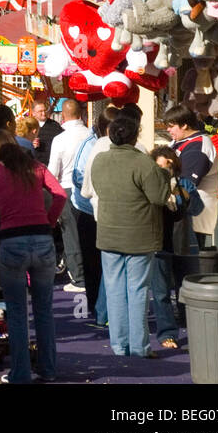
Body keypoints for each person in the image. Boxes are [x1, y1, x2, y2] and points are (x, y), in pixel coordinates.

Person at [0, 129, 66, 384]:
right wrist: (49, 220)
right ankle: (48, 368)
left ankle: (20, 373)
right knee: (44, 309)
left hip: (12, 240)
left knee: (17, 311)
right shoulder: (36, 167)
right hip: (42, 238)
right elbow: (60, 195)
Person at [88, 113, 169, 358]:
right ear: (135, 136)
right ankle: (139, 346)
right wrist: (164, 174)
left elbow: (98, 189)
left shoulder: (100, 160)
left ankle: (119, 346)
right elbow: (159, 197)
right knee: (137, 291)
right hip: (139, 235)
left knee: (114, 290)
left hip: (109, 232)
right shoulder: (144, 163)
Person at [150, 147, 196, 351]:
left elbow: (192, 205)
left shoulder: (184, 183)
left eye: (165, 165)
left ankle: (192, 325)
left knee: (185, 287)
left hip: (181, 241)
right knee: (160, 291)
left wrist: (177, 190)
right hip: (159, 242)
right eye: (158, 166)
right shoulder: (151, 186)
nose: (162, 169)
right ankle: (167, 332)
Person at [47, 98, 93, 296]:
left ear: (63, 116)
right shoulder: (91, 136)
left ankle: (78, 276)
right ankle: (91, 273)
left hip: (66, 188)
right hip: (90, 189)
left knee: (71, 234)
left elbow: (52, 171)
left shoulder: (60, 139)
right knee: (90, 232)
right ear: (81, 114)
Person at [163, 105, 218, 249]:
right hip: (181, 217)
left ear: (185, 125)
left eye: (171, 126)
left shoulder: (199, 145)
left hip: (194, 220)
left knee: (187, 266)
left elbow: (186, 184)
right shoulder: (177, 142)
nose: (168, 130)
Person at [32, 97, 63, 167]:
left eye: (45, 110)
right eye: (40, 111)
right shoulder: (28, 125)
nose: (43, 113)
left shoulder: (55, 126)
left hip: (50, 165)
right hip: (33, 166)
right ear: (33, 113)